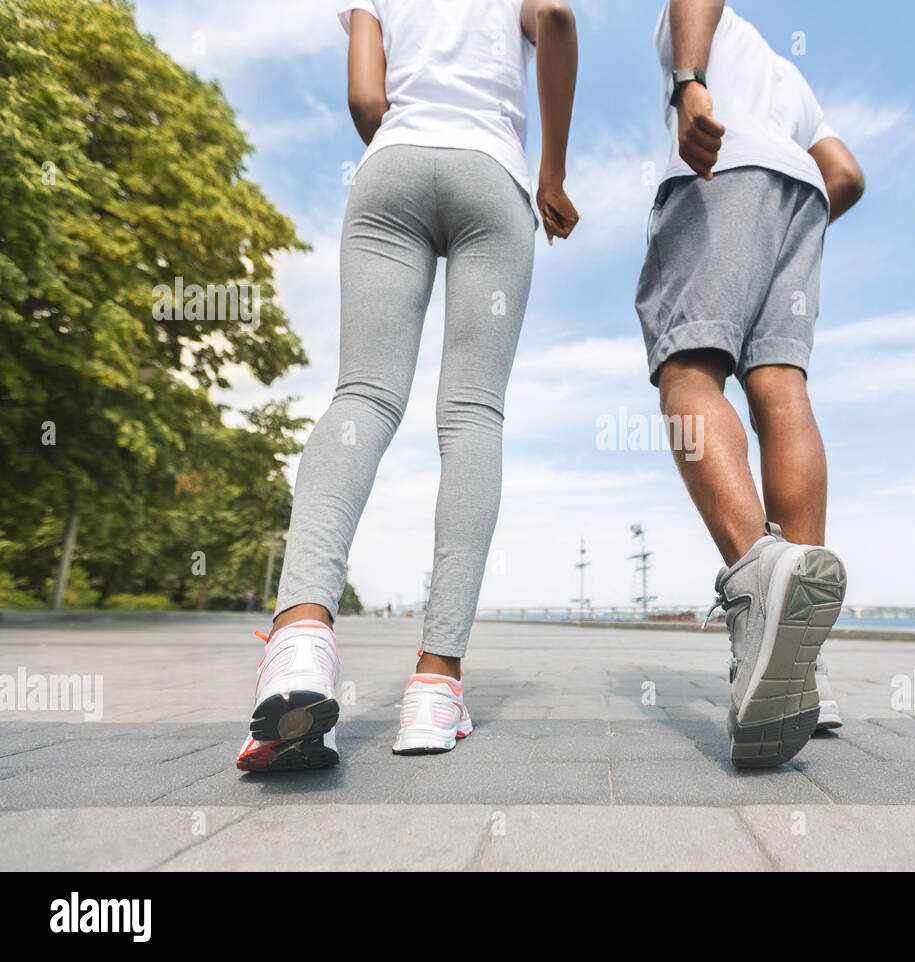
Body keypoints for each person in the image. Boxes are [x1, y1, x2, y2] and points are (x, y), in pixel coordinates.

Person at [237, 0, 580, 772]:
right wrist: (550, 172)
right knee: (471, 414)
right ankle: (434, 685)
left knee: (361, 396)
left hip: (391, 170)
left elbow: (366, 97)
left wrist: (405, 147)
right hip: (492, 177)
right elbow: (555, 17)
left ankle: (298, 644)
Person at [635, 0, 864, 767]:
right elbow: (846, 174)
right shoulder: (787, 75)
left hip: (719, 172)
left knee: (688, 371)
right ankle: (808, 667)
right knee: (783, 393)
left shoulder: (697, 29)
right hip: (800, 195)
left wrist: (689, 86)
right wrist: (790, 213)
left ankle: (756, 578)